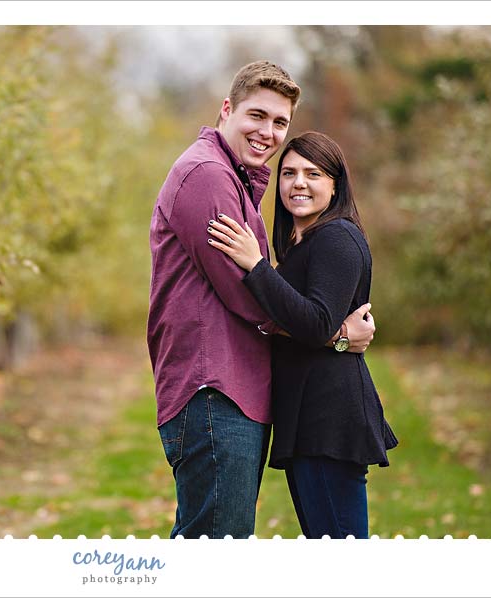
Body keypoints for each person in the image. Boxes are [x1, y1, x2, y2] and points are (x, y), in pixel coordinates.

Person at [147, 61, 376, 539]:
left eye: (280, 122)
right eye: (257, 116)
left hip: (234, 393)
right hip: (215, 389)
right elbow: (247, 295)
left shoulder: (237, 182)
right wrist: (336, 334)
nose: (267, 132)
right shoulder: (208, 175)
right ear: (226, 109)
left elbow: (272, 293)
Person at [206, 131, 398, 539]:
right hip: (307, 420)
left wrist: (256, 266)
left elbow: (315, 323)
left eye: (313, 174)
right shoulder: (302, 243)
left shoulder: (337, 237)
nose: (298, 183)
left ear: (335, 184)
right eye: (289, 173)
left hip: (328, 420)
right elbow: (315, 324)